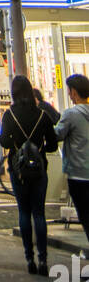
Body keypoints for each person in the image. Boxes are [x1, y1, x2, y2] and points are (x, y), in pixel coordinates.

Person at [0, 74, 59, 275]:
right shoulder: (42, 115)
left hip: (19, 170)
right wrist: (38, 147)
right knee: (39, 213)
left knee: (23, 212)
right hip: (39, 170)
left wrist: (17, 144)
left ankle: (29, 258)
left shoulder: (9, 115)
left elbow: (4, 142)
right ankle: (43, 259)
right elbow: (52, 144)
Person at [54, 72, 89, 250]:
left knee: (86, 217)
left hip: (78, 175)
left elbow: (56, 134)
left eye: (69, 91)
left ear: (74, 92)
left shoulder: (71, 114)